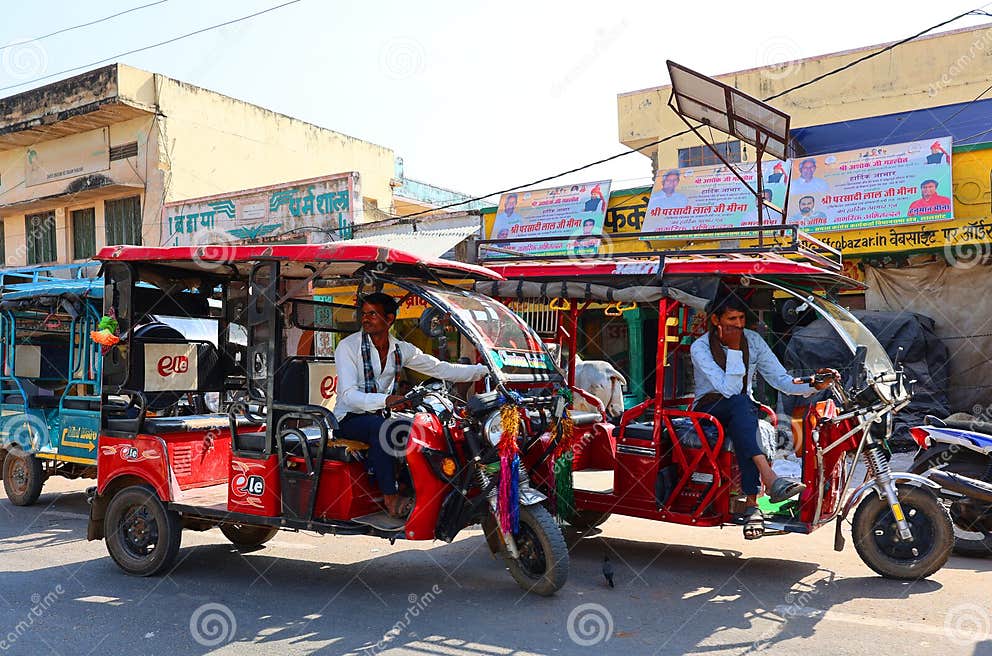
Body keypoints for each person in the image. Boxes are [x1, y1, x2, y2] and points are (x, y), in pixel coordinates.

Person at [690, 291, 838, 539]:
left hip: (741, 410)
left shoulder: (754, 341)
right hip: (709, 409)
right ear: (716, 320)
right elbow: (729, 390)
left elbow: (781, 380)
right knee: (741, 405)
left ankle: (754, 503)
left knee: (744, 418)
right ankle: (765, 485)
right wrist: (734, 349)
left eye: (741, 319)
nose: (738, 325)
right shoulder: (700, 348)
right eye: (731, 319)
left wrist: (814, 384)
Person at [333, 293, 488, 518]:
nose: (365, 319)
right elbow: (348, 396)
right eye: (364, 314)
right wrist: (386, 400)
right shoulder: (348, 347)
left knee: (420, 430)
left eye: (372, 314)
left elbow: (440, 368)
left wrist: (484, 370)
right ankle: (390, 498)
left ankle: (413, 488)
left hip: (380, 415)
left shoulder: (401, 349)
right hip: (348, 418)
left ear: (389, 319)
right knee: (384, 429)